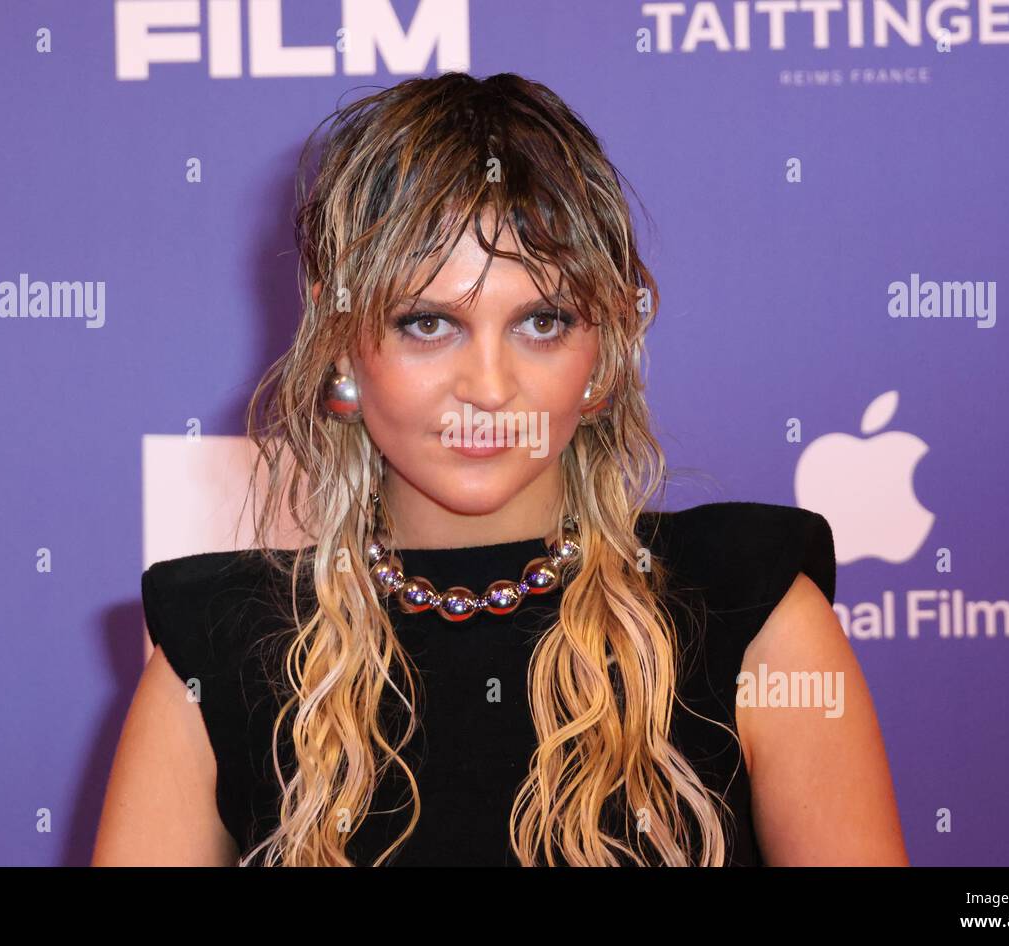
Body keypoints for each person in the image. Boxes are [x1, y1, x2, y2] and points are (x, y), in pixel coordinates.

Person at [92, 72, 908, 867]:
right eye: (427, 323)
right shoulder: (218, 650)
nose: (488, 388)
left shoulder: (751, 611)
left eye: (542, 321)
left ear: (605, 350)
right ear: (339, 337)